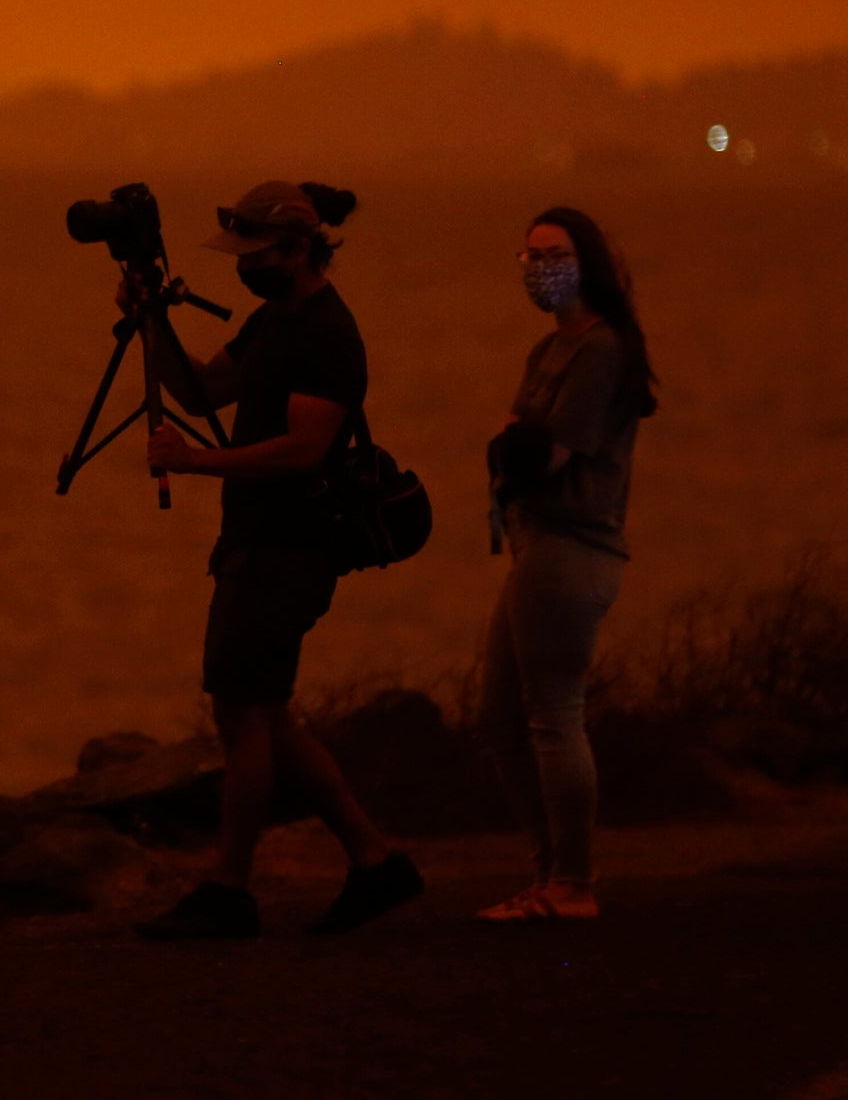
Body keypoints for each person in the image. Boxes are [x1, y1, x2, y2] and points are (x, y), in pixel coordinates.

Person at [124, 180, 422, 940]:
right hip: (258, 540)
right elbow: (201, 390)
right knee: (264, 710)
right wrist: (151, 321)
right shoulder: (274, 320)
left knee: (242, 712)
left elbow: (303, 450)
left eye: (257, 255)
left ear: (298, 249)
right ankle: (374, 861)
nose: (244, 268)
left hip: (290, 546)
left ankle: (229, 889)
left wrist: (193, 464)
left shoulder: (326, 333)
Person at [476, 207, 656, 922]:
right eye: (527, 256)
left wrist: (513, 444)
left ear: (586, 262)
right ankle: (550, 873)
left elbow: (539, 455)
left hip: (570, 545)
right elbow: (516, 445)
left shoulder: (602, 352)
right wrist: (513, 445)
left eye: (552, 253)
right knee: (500, 717)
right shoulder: (547, 351)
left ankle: (572, 884)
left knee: (553, 715)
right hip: (533, 544)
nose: (538, 267)